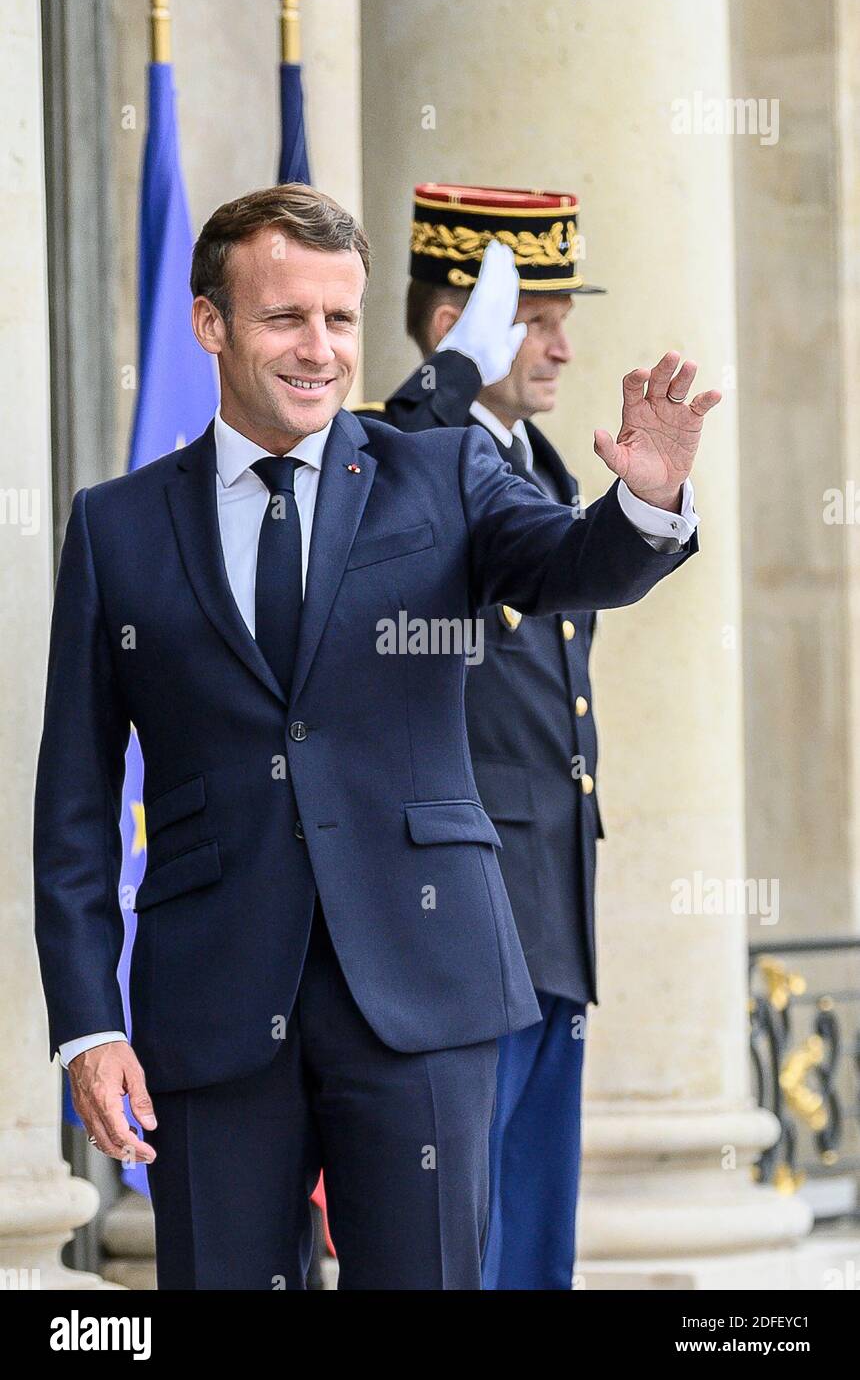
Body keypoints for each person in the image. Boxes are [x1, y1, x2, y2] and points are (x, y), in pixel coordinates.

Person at [33, 182, 719, 1291]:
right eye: (283, 317)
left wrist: (641, 507)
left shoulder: (439, 472)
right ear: (210, 324)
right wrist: (85, 1027)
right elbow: (73, 802)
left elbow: (566, 563)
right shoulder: (114, 526)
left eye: (340, 320)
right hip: (209, 1013)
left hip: (422, 991)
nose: (319, 349)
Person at [352, 183, 700, 1289]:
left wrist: (648, 500)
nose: (558, 345)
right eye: (534, 318)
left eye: (558, 318)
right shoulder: (414, 450)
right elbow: (383, 474)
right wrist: (449, 374)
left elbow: (588, 573)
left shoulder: (535, 467)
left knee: (532, 1241)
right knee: (462, 1234)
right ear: (459, 324)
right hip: (455, 918)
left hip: (544, 908)